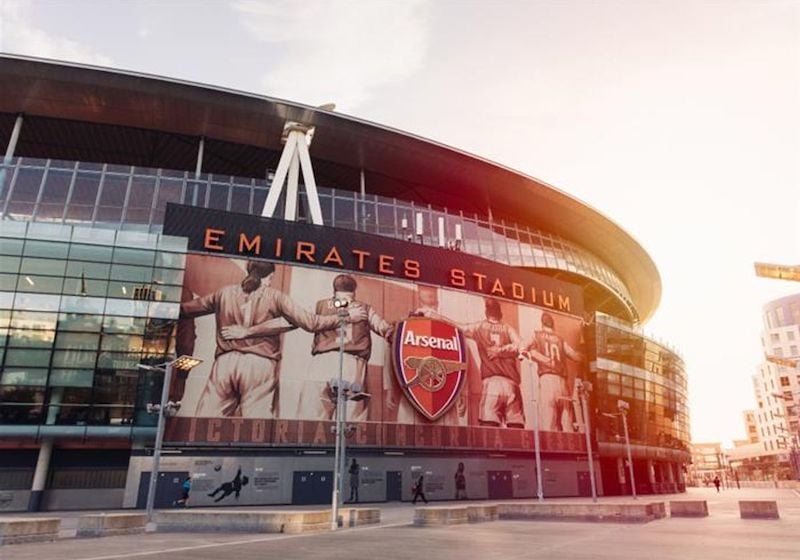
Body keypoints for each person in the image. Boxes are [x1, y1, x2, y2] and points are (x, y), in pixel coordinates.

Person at [181, 260, 366, 418]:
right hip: (260, 364)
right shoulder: (276, 296)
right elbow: (311, 323)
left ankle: (198, 460)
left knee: (206, 422)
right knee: (255, 428)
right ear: (269, 276)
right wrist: (346, 316)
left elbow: (186, 310)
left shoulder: (223, 293)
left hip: (224, 363)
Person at [298, 274, 393, 421]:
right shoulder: (364, 308)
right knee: (350, 422)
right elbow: (385, 329)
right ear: (354, 291)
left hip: (321, 362)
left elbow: (305, 321)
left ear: (334, 290)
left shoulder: (320, 305)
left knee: (311, 419)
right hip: (352, 364)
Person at [422, 298, 524, 428]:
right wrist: (502, 350)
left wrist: (434, 316)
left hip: (492, 383)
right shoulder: (508, 329)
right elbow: (521, 345)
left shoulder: (479, 327)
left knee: (489, 429)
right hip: (512, 385)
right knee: (516, 429)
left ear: (486, 312)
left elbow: (460, 328)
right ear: (500, 313)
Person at [520, 312, 583, 432]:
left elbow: (523, 348)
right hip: (562, 382)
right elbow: (575, 356)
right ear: (552, 324)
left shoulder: (536, 335)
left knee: (549, 423)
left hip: (547, 380)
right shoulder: (560, 339)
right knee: (567, 423)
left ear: (542, 323)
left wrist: (540, 358)